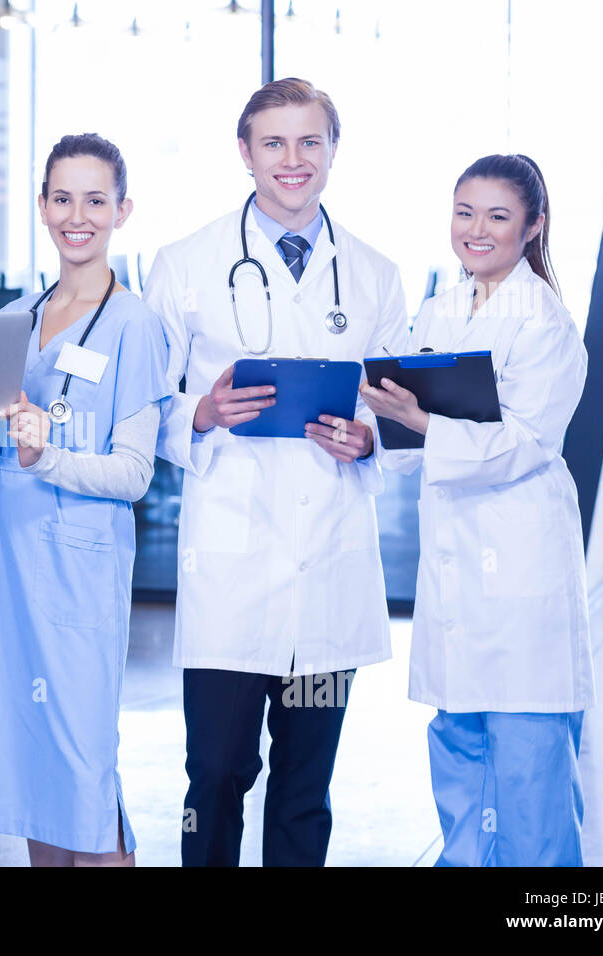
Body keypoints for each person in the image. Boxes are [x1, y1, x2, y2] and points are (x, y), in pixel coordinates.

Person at [144, 77, 409, 867]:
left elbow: (400, 412)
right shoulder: (185, 264)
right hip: (231, 570)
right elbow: (144, 404)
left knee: (304, 789)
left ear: (332, 151)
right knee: (216, 773)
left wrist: (369, 442)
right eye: (274, 143)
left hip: (328, 567)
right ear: (245, 152)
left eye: (310, 142)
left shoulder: (374, 274)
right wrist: (199, 412)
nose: (292, 161)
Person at [0, 134, 171, 867]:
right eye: (63, 198)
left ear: (122, 210)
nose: (78, 216)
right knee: (34, 770)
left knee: (84, 769)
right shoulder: (16, 320)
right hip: (7, 568)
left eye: (95, 200)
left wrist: (50, 456)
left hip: (80, 576)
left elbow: (134, 474)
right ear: (41, 207)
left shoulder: (136, 324)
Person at [361, 153, 593, 867]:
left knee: (528, 769)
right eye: (465, 213)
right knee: (458, 744)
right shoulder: (439, 311)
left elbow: (527, 442)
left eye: (498, 216)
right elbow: (405, 437)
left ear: (532, 227)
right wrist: (369, 435)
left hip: (522, 568)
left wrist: (425, 425)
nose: (477, 230)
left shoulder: (545, 324)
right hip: (457, 569)